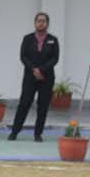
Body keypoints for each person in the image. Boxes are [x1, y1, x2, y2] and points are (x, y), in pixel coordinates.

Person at [8, 12, 59, 141]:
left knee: (43, 106)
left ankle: (38, 134)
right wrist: (34, 70)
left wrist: (41, 70)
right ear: (35, 23)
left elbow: (55, 58)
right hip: (30, 77)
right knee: (24, 103)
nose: (41, 23)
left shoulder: (53, 40)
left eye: (43, 21)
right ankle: (14, 131)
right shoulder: (27, 38)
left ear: (47, 23)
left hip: (46, 78)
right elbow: (23, 56)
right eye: (38, 21)